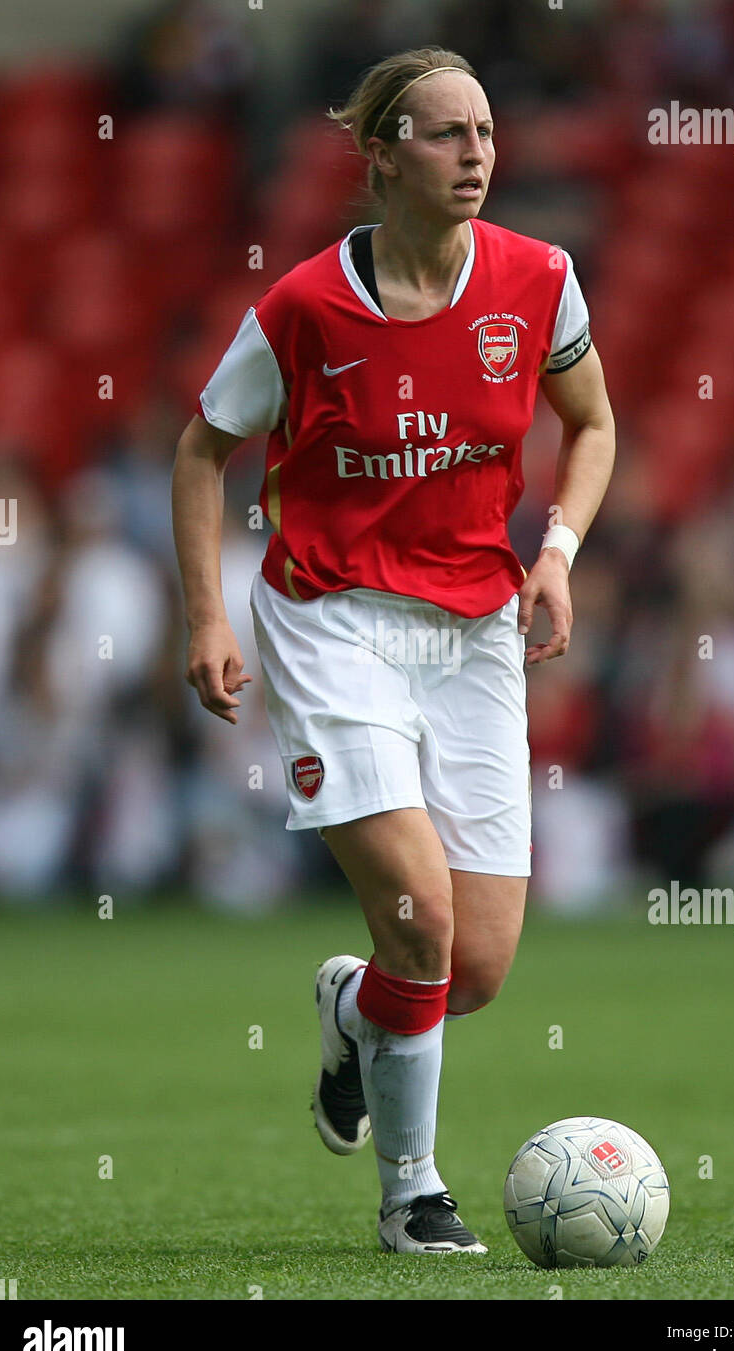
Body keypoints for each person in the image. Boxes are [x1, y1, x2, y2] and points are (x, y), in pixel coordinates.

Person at [172, 45, 615, 1253]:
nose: (477, 154)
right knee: (417, 918)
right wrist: (209, 616)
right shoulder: (307, 306)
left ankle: (346, 1006)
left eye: (485, 131)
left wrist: (560, 552)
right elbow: (202, 449)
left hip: (473, 629)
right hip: (332, 618)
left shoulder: (539, 278)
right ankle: (413, 1194)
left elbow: (593, 424)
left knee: (468, 970)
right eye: (445, 134)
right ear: (383, 158)